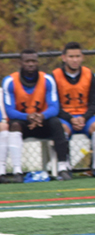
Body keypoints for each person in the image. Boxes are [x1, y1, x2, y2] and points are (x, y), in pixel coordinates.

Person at [2, 50, 72, 181]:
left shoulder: (47, 80)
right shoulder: (10, 81)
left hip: (41, 122)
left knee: (56, 122)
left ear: (37, 62)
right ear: (20, 63)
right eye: (27, 61)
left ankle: (63, 167)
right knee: (14, 125)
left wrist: (41, 116)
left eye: (33, 61)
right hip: (23, 123)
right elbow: (10, 110)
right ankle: (17, 171)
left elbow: (54, 107)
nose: (30, 64)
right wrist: (28, 117)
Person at [52, 42, 95, 177]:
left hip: (85, 116)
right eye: (71, 57)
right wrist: (70, 118)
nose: (75, 60)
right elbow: (54, 105)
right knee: (61, 130)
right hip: (65, 116)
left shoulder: (89, 74)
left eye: (77, 56)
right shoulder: (54, 76)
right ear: (64, 58)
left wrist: (84, 117)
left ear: (82, 57)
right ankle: (65, 167)